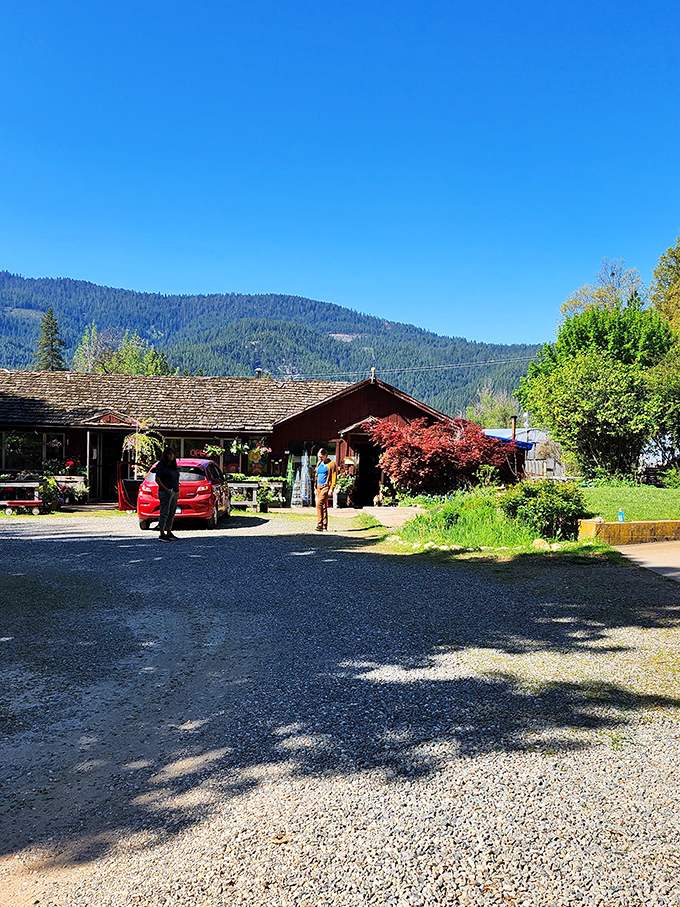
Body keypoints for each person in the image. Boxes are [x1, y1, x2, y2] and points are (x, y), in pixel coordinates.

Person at [155, 447, 180, 541]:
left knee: (172, 512)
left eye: (172, 454)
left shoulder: (173, 465)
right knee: (164, 512)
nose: (171, 456)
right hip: (165, 492)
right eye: (169, 454)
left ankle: (169, 532)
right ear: (165, 455)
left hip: (175, 491)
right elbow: (157, 479)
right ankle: (161, 533)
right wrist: (166, 489)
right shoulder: (161, 465)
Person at [314, 448, 337, 531]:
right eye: (319, 457)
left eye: (321, 456)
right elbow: (316, 476)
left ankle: (319, 524)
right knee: (323, 506)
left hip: (325, 486)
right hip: (319, 487)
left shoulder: (331, 464)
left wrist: (332, 489)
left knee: (318, 504)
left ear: (325, 455)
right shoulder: (319, 463)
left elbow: (334, 478)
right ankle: (324, 526)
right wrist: (315, 488)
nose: (320, 458)